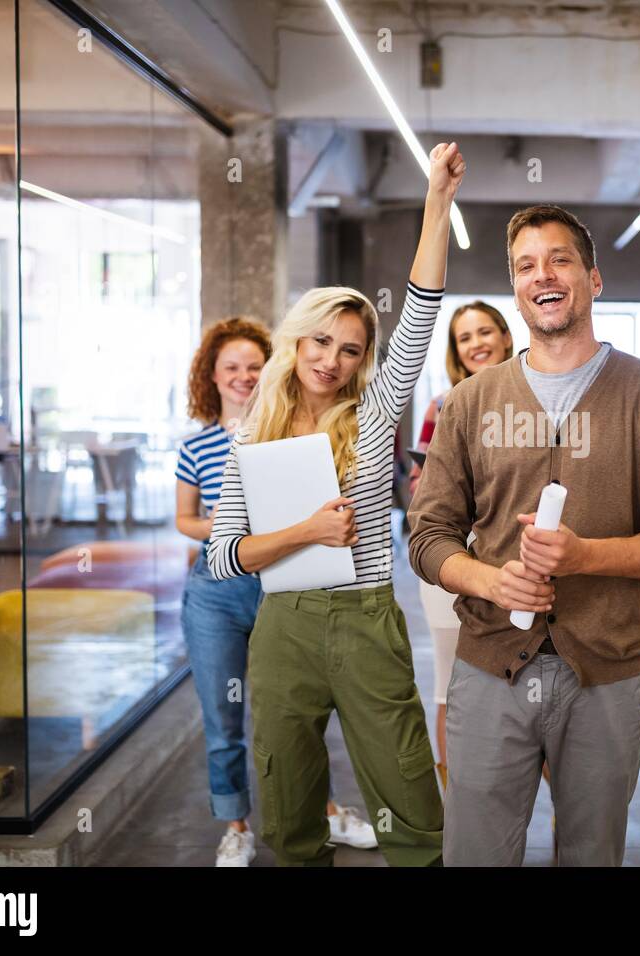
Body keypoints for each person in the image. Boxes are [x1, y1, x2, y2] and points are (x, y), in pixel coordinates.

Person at [408, 203, 640, 866]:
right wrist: (489, 578)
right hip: (490, 665)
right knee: (476, 852)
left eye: (559, 260)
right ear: (514, 288)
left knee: (590, 853)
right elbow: (428, 535)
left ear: (593, 279)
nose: (541, 275)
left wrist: (585, 557)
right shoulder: (470, 403)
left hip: (607, 675)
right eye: (525, 265)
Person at [205, 141, 466, 867]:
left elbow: (419, 313)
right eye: (321, 340)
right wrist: (306, 530)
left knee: (409, 795)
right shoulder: (250, 435)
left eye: (351, 349)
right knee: (287, 808)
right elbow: (223, 556)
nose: (332, 359)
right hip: (282, 629)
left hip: (365, 618)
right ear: (297, 341)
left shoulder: (375, 414)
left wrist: (436, 202)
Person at [176, 318, 376, 867]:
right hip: (214, 594)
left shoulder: (292, 431)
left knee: (299, 715)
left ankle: (326, 811)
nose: (243, 376)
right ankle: (236, 826)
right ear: (211, 377)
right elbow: (185, 521)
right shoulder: (196, 447)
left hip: (280, 584)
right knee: (224, 717)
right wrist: (232, 527)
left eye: (252, 366)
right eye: (230, 368)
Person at [408, 301, 514, 788]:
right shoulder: (442, 407)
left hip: (519, 561)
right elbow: (420, 493)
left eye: (484, 331)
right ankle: (458, 806)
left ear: (505, 336)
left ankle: (563, 824)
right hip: (453, 559)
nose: (476, 343)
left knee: (537, 683)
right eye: (464, 337)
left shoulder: (535, 398)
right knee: (450, 682)